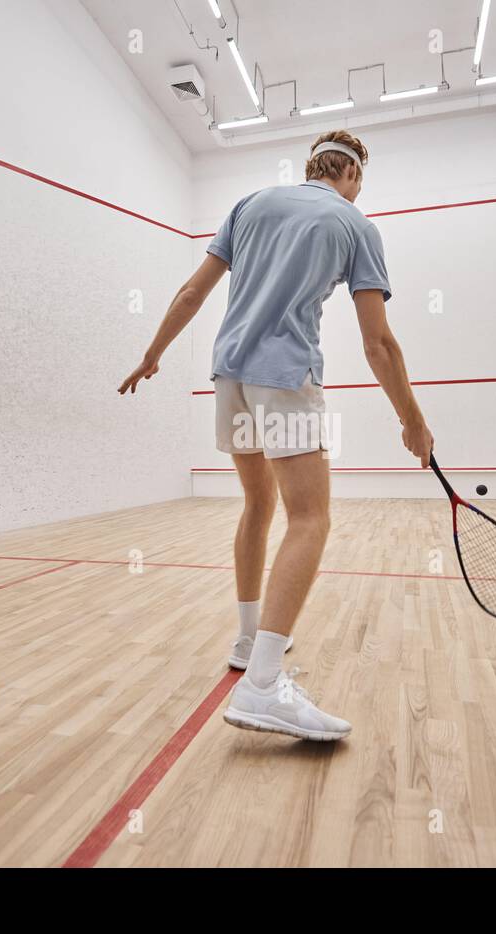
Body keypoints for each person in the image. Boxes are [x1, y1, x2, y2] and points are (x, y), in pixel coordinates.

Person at [118, 130, 433, 741]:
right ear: (351, 175)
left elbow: (191, 292)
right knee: (310, 519)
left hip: (229, 375)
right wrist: (412, 420)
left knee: (259, 504)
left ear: (312, 165)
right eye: (359, 182)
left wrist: (151, 354)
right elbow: (378, 342)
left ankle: (245, 639)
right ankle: (262, 684)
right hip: (285, 379)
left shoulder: (250, 204)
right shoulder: (355, 225)